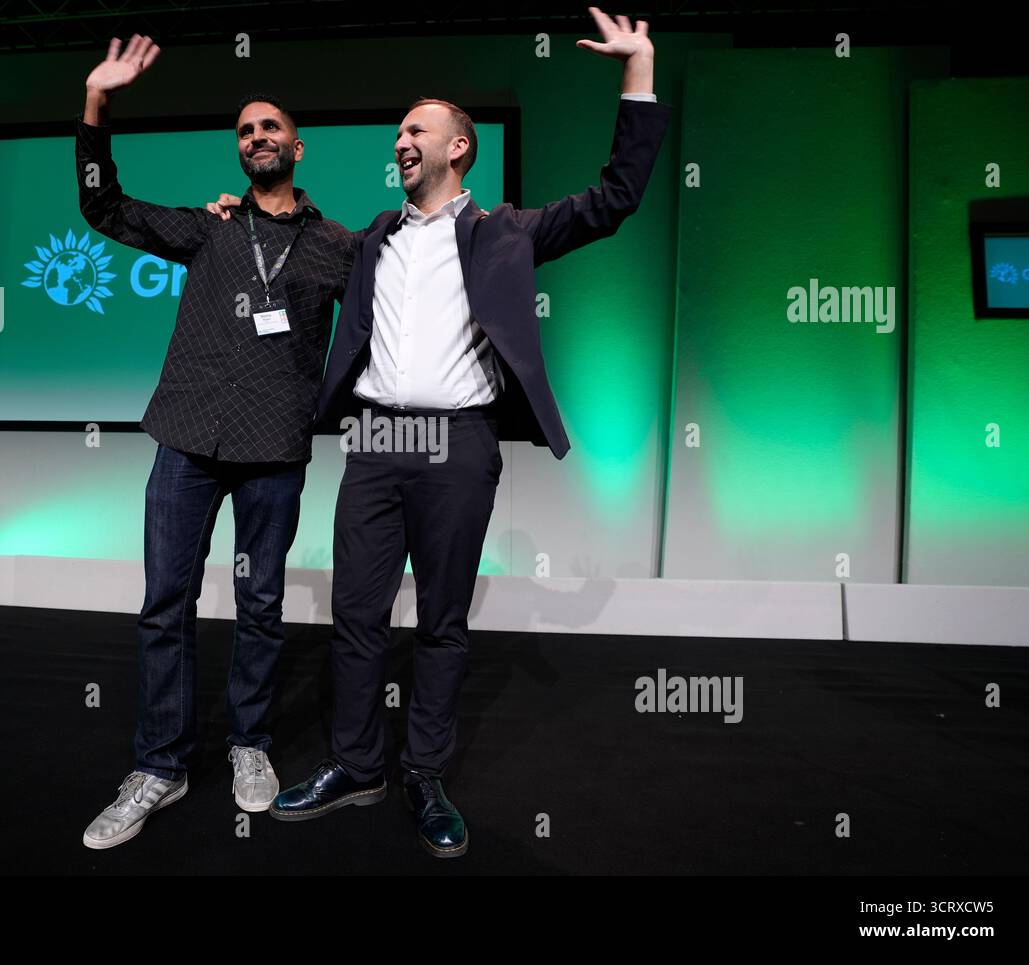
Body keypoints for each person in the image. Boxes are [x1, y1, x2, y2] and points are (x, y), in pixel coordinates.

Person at [259, 9, 671, 858]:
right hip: (375, 444)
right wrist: (243, 207)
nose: (402, 139)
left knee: (442, 621)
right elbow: (287, 233)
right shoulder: (370, 238)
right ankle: (356, 764)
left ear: (459, 150)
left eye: (419, 128)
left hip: (460, 446)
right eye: (399, 130)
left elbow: (615, 198)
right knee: (356, 616)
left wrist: (639, 71)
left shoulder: (506, 232)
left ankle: (424, 773)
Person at [74, 34, 356, 849]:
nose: (256, 137)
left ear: (296, 147)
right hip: (188, 439)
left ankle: (251, 744)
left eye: (270, 127)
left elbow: (385, 321)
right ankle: (160, 765)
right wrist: (99, 102)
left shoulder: (339, 247)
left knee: (261, 606)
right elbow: (105, 208)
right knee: (167, 604)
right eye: (244, 130)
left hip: (274, 446)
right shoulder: (209, 230)